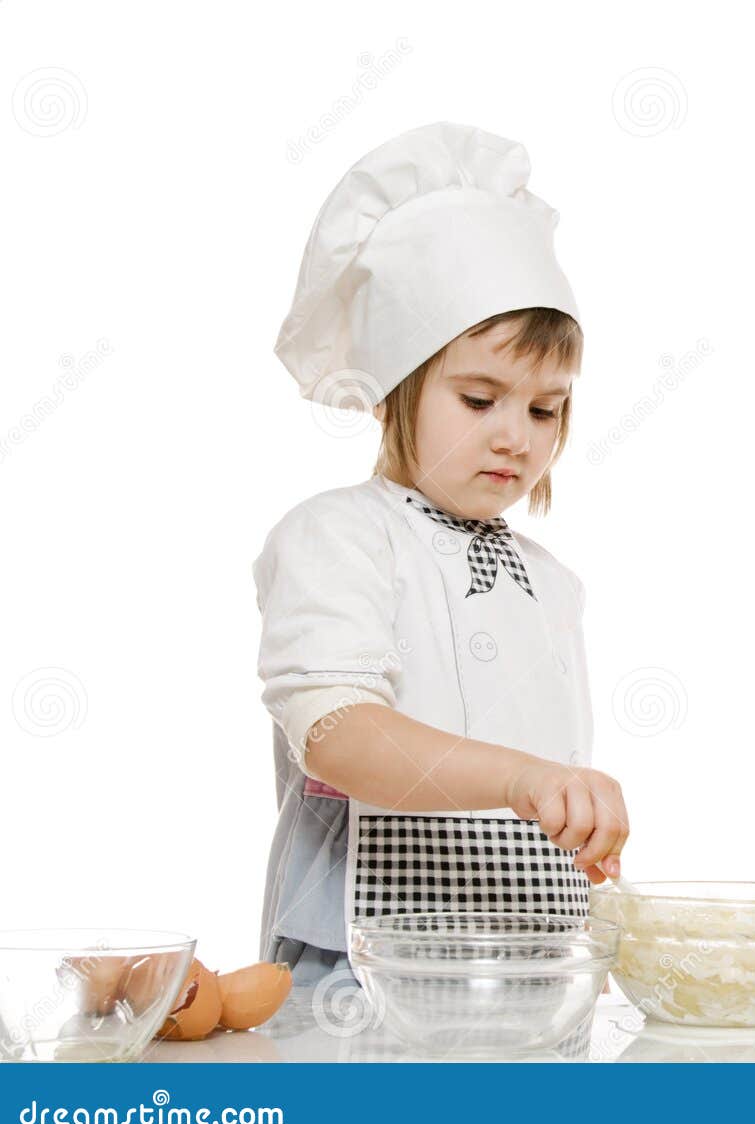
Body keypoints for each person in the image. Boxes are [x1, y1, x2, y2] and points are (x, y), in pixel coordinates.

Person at [254, 123, 628, 985]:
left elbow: (549, 778)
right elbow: (339, 734)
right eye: (480, 398)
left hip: (528, 959)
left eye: (544, 409)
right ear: (395, 389)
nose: (516, 437)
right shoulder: (337, 534)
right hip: (365, 958)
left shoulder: (554, 582)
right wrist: (525, 778)